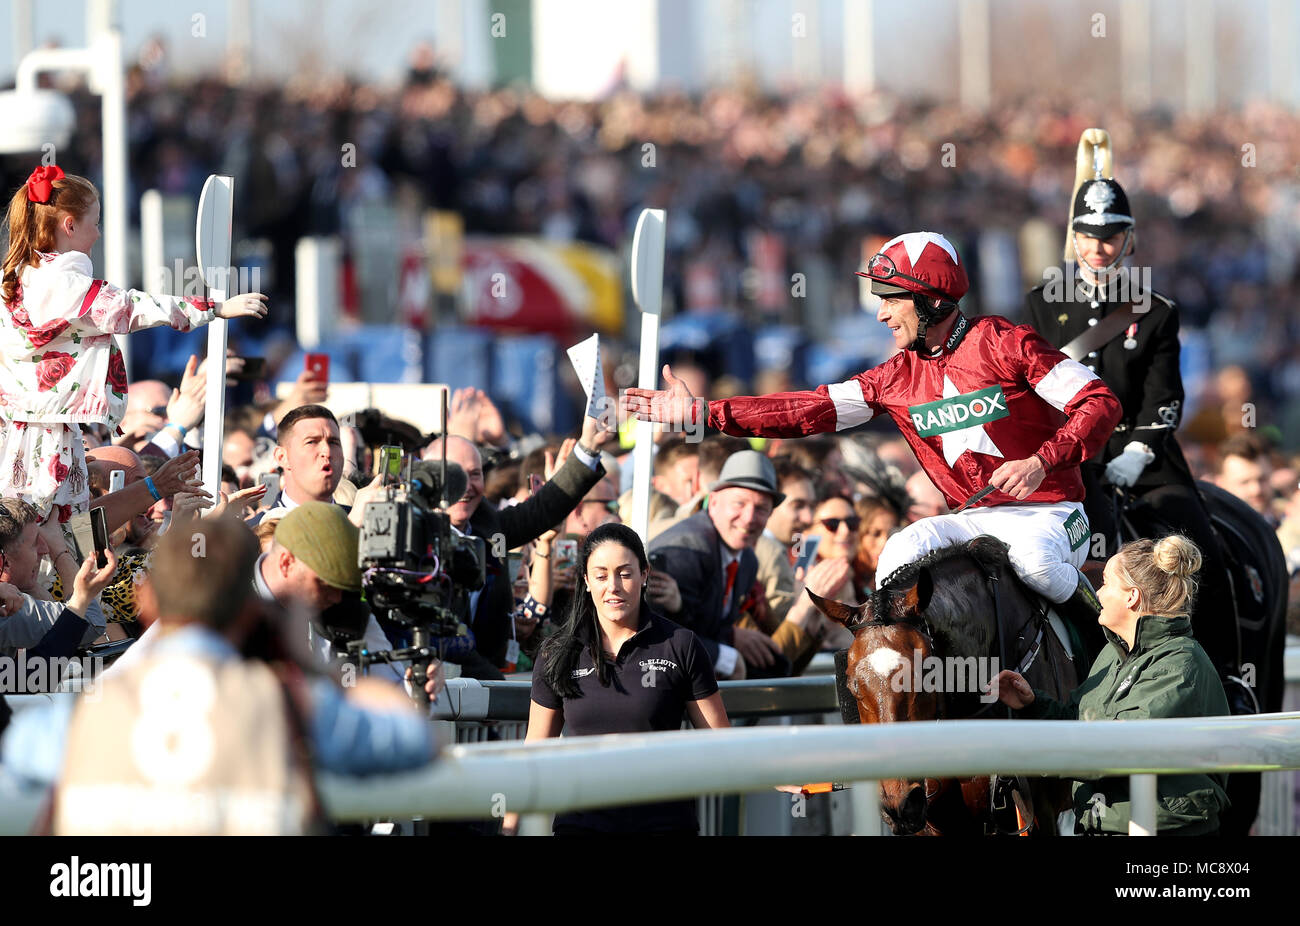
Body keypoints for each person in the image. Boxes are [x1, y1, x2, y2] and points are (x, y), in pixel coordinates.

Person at [625, 231, 1122, 643]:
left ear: (929, 299)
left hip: (1053, 514)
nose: (881, 314)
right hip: (973, 520)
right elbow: (803, 411)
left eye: (890, 300)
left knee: (1034, 563)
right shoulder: (892, 380)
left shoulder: (1006, 343)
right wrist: (704, 411)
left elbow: (1101, 402)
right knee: (896, 555)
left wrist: (1039, 460)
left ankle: (1109, 646)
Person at [2, 514, 437, 835]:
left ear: (147, 601)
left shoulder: (84, 719)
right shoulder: (295, 706)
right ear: (253, 610)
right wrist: (334, 678)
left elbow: (19, 749)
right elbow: (415, 741)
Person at [1023, 131, 1249, 708]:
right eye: (1089, 236)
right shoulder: (1042, 307)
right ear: (1072, 238)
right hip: (1067, 458)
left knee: (1200, 545)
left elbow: (1164, 395)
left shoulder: (1156, 311)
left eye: (1111, 236)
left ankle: (1228, 674)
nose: (1099, 249)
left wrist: (1139, 451)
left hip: (1140, 458)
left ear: (1130, 239)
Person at [0, 166, 267, 522]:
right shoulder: (62, 283)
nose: (98, 234)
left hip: (21, 428)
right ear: (69, 225)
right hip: (46, 433)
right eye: (95, 222)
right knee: (49, 526)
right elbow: (130, 308)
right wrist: (213, 308)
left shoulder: (16, 279)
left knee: (40, 525)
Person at [989, 535, 1230, 836]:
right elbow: (1080, 726)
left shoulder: (1180, 665)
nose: (1098, 593)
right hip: (1103, 826)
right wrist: (1033, 704)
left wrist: (1025, 752)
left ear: (1132, 597)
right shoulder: (1111, 654)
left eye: (1105, 583)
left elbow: (1115, 749)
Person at [502, 523, 729, 835]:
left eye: (625, 573)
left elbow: (724, 743)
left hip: (664, 823)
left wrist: (780, 773)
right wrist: (510, 826)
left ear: (644, 575)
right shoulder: (558, 651)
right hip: (582, 824)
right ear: (585, 580)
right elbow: (535, 749)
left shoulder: (680, 644)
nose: (614, 586)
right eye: (601, 575)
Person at [420, 416, 613, 674]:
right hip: (428, 683)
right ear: (430, 478)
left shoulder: (488, 524)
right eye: (455, 474)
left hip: (487, 687)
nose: (466, 486)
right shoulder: (413, 531)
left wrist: (588, 447)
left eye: (475, 474)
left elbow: (543, 509)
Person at [648, 450, 788, 680]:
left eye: (761, 508)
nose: (749, 517)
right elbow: (662, 634)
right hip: (660, 675)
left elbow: (710, 624)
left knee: (776, 666)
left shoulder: (747, 560)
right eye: (739, 504)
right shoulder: (685, 551)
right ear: (713, 502)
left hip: (696, 661)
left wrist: (731, 637)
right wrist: (726, 655)